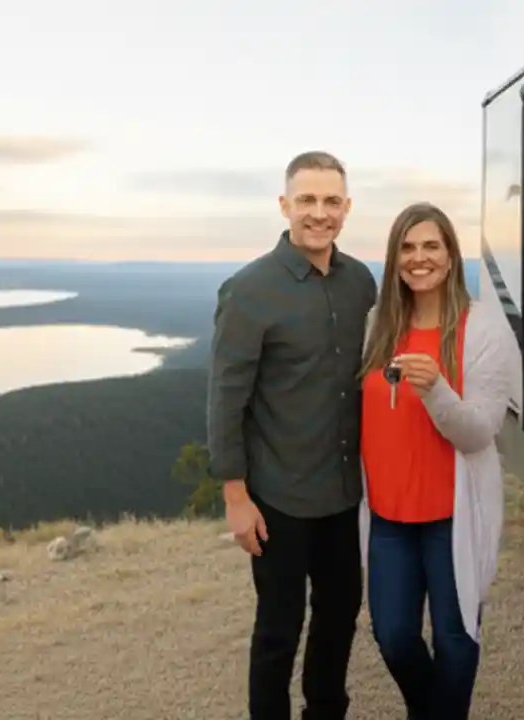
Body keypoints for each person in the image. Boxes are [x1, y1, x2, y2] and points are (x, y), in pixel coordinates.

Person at [207, 150, 377, 720]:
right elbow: (226, 398)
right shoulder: (249, 290)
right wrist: (235, 497)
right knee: (279, 629)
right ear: (284, 205)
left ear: (347, 208)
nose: (319, 213)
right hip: (277, 496)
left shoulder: (361, 283)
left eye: (331, 201)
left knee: (338, 617)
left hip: (344, 494)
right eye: (307, 200)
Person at [356, 202, 517, 719]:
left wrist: (437, 391)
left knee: (455, 639)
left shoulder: (483, 330)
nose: (418, 257)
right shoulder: (378, 323)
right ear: (393, 257)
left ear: (450, 257)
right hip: (388, 518)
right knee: (395, 637)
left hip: (452, 517)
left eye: (431, 246)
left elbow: (479, 433)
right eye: (407, 247)